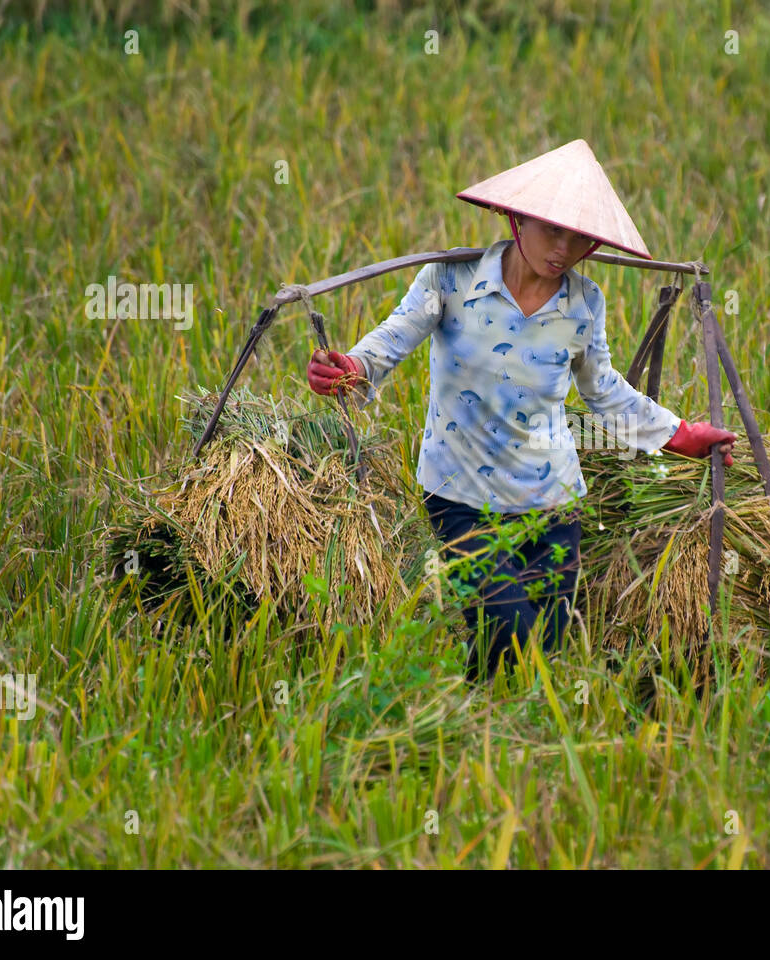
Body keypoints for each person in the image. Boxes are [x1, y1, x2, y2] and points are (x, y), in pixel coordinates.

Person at [307, 139, 736, 682]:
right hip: (459, 499)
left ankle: (481, 738)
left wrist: (680, 435)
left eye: (579, 236)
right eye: (552, 230)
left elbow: (602, 390)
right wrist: (349, 369)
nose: (564, 248)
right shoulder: (449, 280)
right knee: (514, 634)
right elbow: (388, 345)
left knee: (530, 657)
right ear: (515, 218)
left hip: (553, 504)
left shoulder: (584, 301)